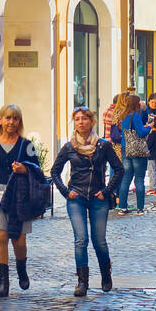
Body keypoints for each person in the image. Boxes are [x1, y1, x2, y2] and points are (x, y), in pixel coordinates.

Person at [50, 107, 123, 296]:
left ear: (91, 122)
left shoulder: (103, 145)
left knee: (99, 241)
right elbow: (54, 171)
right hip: (77, 198)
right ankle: (82, 282)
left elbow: (119, 169)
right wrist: (66, 192)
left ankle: (106, 275)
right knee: (81, 240)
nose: (80, 122)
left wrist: (107, 192)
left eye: (84, 119)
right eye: (77, 119)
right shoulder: (69, 147)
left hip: (98, 198)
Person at [0, 104, 40, 297]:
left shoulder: (26, 144)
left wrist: (24, 169)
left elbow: (37, 170)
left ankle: (21, 269)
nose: (11, 122)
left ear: (19, 122)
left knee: (18, 241)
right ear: (0, 120)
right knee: (0, 238)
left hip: (19, 194)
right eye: (7, 118)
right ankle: (3, 283)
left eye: (15, 118)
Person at [116, 94, 151, 213]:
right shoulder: (135, 115)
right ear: (136, 104)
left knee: (126, 179)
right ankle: (140, 208)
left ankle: (122, 207)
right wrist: (149, 127)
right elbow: (141, 133)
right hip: (137, 151)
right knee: (139, 179)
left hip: (125, 149)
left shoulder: (123, 115)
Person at [142, 92, 156, 194]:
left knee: (153, 162)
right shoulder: (145, 111)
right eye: (152, 102)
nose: (154, 104)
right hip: (147, 138)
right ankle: (147, 185)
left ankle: (154, 186)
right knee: (146, 162)